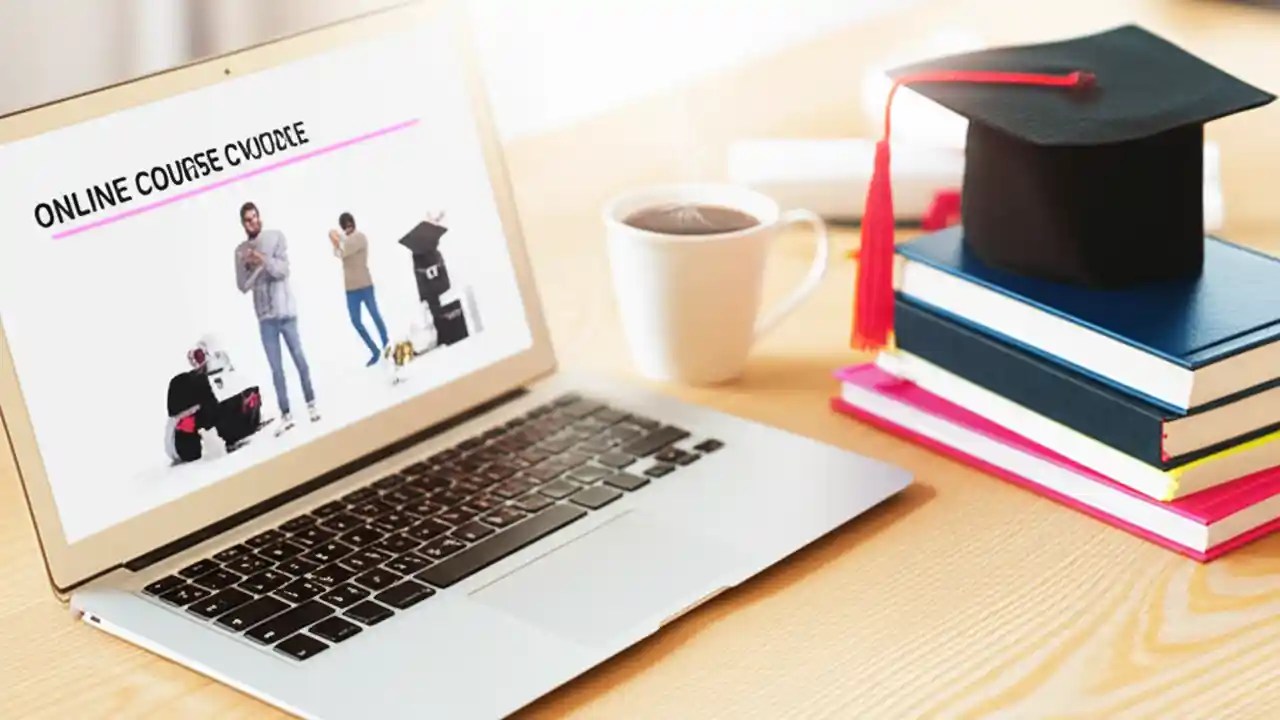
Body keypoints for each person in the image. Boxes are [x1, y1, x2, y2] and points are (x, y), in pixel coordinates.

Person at [234, 201, 319, 436]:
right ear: (243, 224)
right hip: (265, 318)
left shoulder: (276, 237)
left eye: (255, 217)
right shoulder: (240, 251)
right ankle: (286, 414)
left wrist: (262, 260)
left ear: (260, 217)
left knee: (299, 359)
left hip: (286, 312)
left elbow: (283, 271)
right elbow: (243, 285)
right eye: (248, 220)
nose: (253, 222)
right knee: (276, 369)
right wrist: (253, 267)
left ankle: (311, 403)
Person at [330, 211, 389, 366]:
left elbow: (343, 251)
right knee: (356, 321)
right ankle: (374, 351)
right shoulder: (346, 240)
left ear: (353, 224)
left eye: (350, 224)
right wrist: (335, 239)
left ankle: (387, 345)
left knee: (375, 315)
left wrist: (336, 238)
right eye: (345, 226)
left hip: (365, 285)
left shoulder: (360, 237)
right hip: (350, 289)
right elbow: (337, 252)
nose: (348, 228)